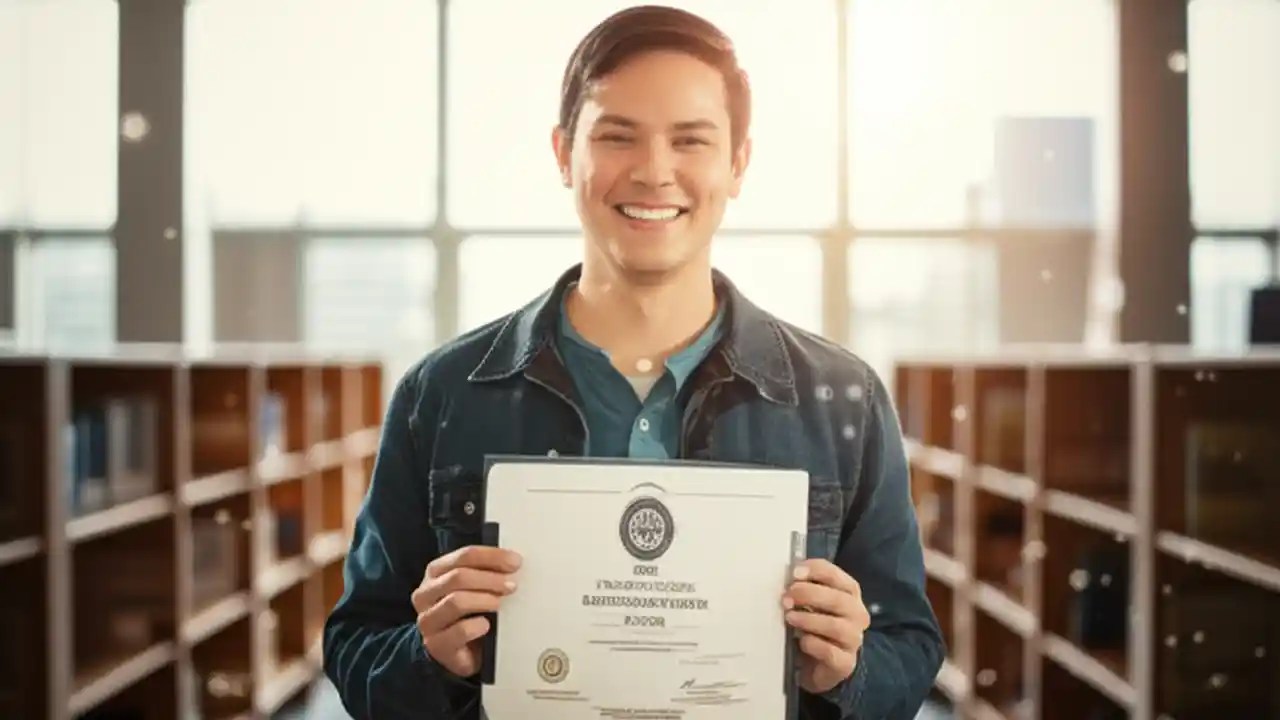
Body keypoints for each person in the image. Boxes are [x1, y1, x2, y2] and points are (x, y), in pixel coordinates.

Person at [323, 4, 944, 719]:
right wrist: (430, 658)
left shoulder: (845, 397)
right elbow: (355, 646)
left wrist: (848, 670)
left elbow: (910, 647)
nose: (654, 172)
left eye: (691, 141)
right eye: (618, 136)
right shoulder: (442, 394)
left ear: (738, 163)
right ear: (564, 154)